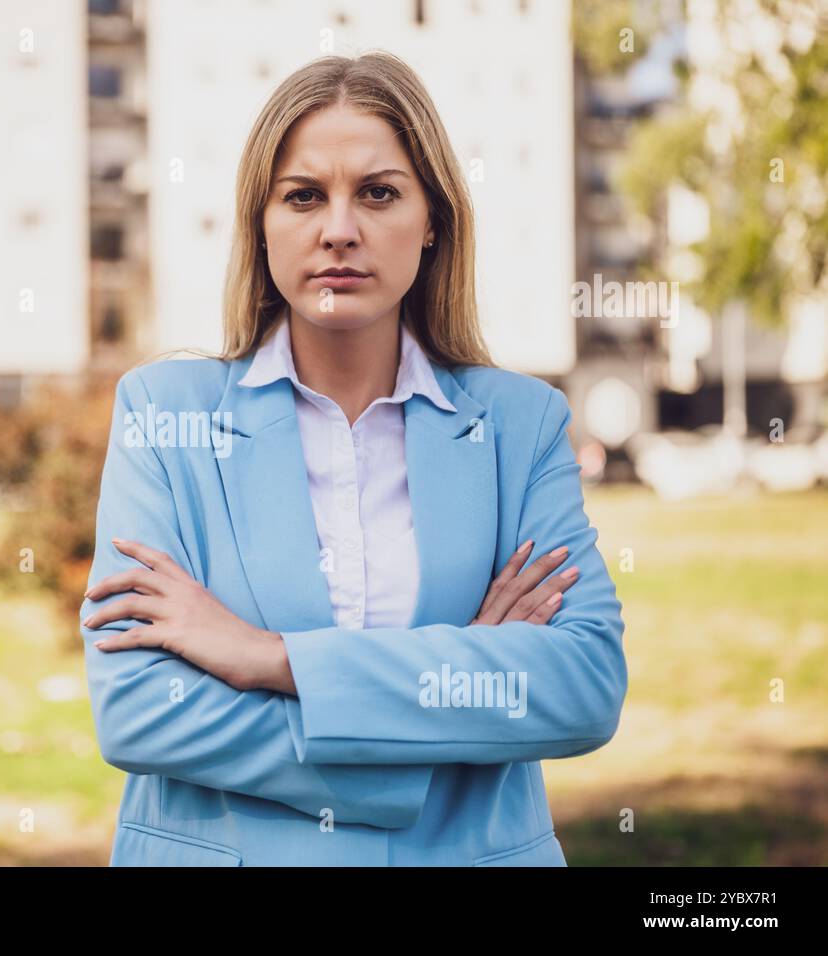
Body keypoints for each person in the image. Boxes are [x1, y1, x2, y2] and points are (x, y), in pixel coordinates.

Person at [79, 51, 627, 866]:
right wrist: (449, 697)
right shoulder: (165, 415)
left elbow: (580, 687)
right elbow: (140, 710)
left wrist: (271, 660)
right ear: (261, 228)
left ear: (433, 217)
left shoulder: (521, 426)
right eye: (303, 196)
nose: (340, 228)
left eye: (378, 192)